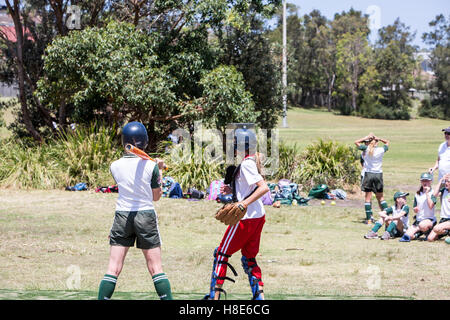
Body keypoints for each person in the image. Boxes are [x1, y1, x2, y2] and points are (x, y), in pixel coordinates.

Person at [97, 121, 173, 300]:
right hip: (145, 215)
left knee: (113, 268)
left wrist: (154, 166)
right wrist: (158, 171)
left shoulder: (114, 166)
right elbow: (156, 197)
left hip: (122, 216)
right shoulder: (151, 166)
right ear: (144, 142)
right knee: (156, 268)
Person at [203, 128, 269, 300]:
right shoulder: (250, 162)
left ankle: (213, 296)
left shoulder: (247, 163)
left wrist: (242, 203)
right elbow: (251, 188)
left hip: (245, 218)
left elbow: (263, 188)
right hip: (257, 217)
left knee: (221, 255)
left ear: (240, 146)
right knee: (249, 258)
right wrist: (233, 190)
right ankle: (259, 297)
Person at [355, 133, 390, 224]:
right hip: (378, 174)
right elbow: (387, 142)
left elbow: (356, 142)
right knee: (381, 197)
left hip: (368, 174)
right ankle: (388, 216)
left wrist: (365, 137)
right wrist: (380, 138)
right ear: (376, 143)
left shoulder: (366, 149)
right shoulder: (381, 150)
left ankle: (369, 219)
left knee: (367, 198)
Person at [399, 173, 437, 242]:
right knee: (407, 235)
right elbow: (415, 207)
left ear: (430, 181)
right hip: (419, 220)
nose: (425, 182)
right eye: (423, 181)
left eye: (427, 181)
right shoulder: (417, 194)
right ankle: (419, 234)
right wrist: (415, 209)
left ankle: (428, 231)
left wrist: (427, 193)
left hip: (429, 219)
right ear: (421, 182)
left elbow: (431, 206)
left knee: (422, 225)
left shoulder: (433, 192)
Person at [427, 173, 450, 241]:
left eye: (448, 182)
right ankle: (447, 232)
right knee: (430, 238)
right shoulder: (444, 190)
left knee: (436, 228)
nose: (446, 183)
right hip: (444, 219)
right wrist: (441, 180)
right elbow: (434, 195)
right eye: (445, 181)